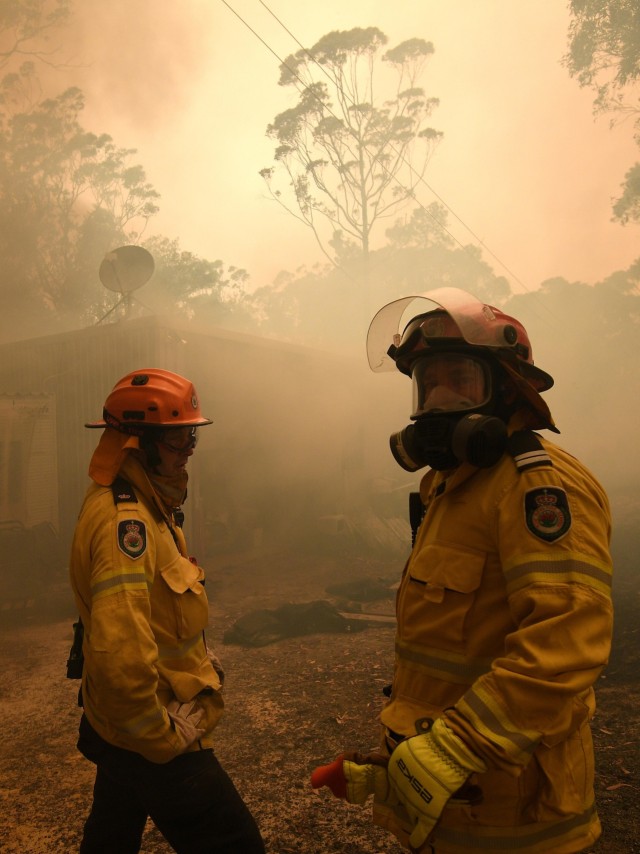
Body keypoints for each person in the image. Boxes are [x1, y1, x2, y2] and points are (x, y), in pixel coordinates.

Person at [312, 288, 613, 853]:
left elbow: (567, 643)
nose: (440, 400)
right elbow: (452, 652)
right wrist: (399, 762)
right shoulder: (451, 488)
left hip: (514, 817)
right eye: (429, 385)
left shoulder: (537, 488)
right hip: (453, 801)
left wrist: (457, 745)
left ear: (507, 388)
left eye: (460, 380)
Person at [68, 368, 265, 854]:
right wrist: (161, 739)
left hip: (116, 729)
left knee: (111, 835)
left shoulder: (145, 506)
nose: (190, 451)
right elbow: (119, 652)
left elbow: (155, 613)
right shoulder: (127, 525)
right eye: (180, 439)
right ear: (139, 442)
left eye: (191, 436)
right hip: (153, 731)